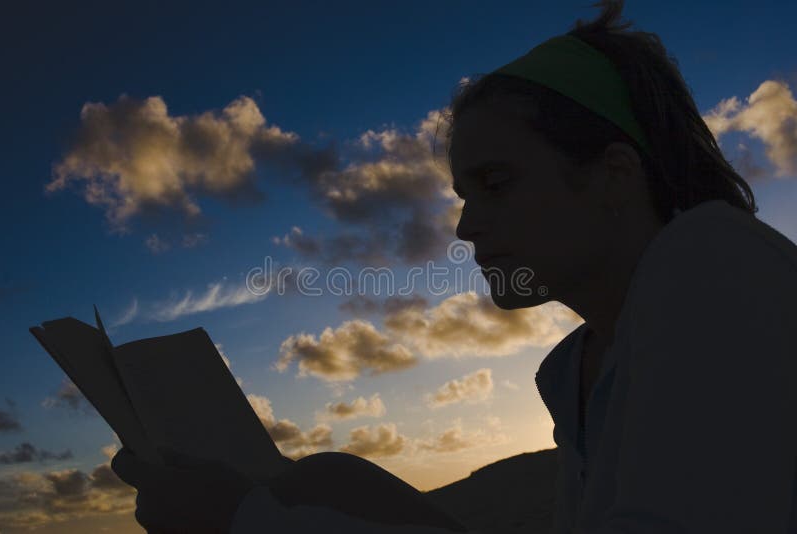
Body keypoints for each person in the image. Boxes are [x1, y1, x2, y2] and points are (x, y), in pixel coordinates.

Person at [112, 0, 797, 532]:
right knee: (320, 479)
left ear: (614, 174)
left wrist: (246, 522)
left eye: (496, 184)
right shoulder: (579, 367)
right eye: (464, 196)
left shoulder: (716, 259)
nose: (467, 227)